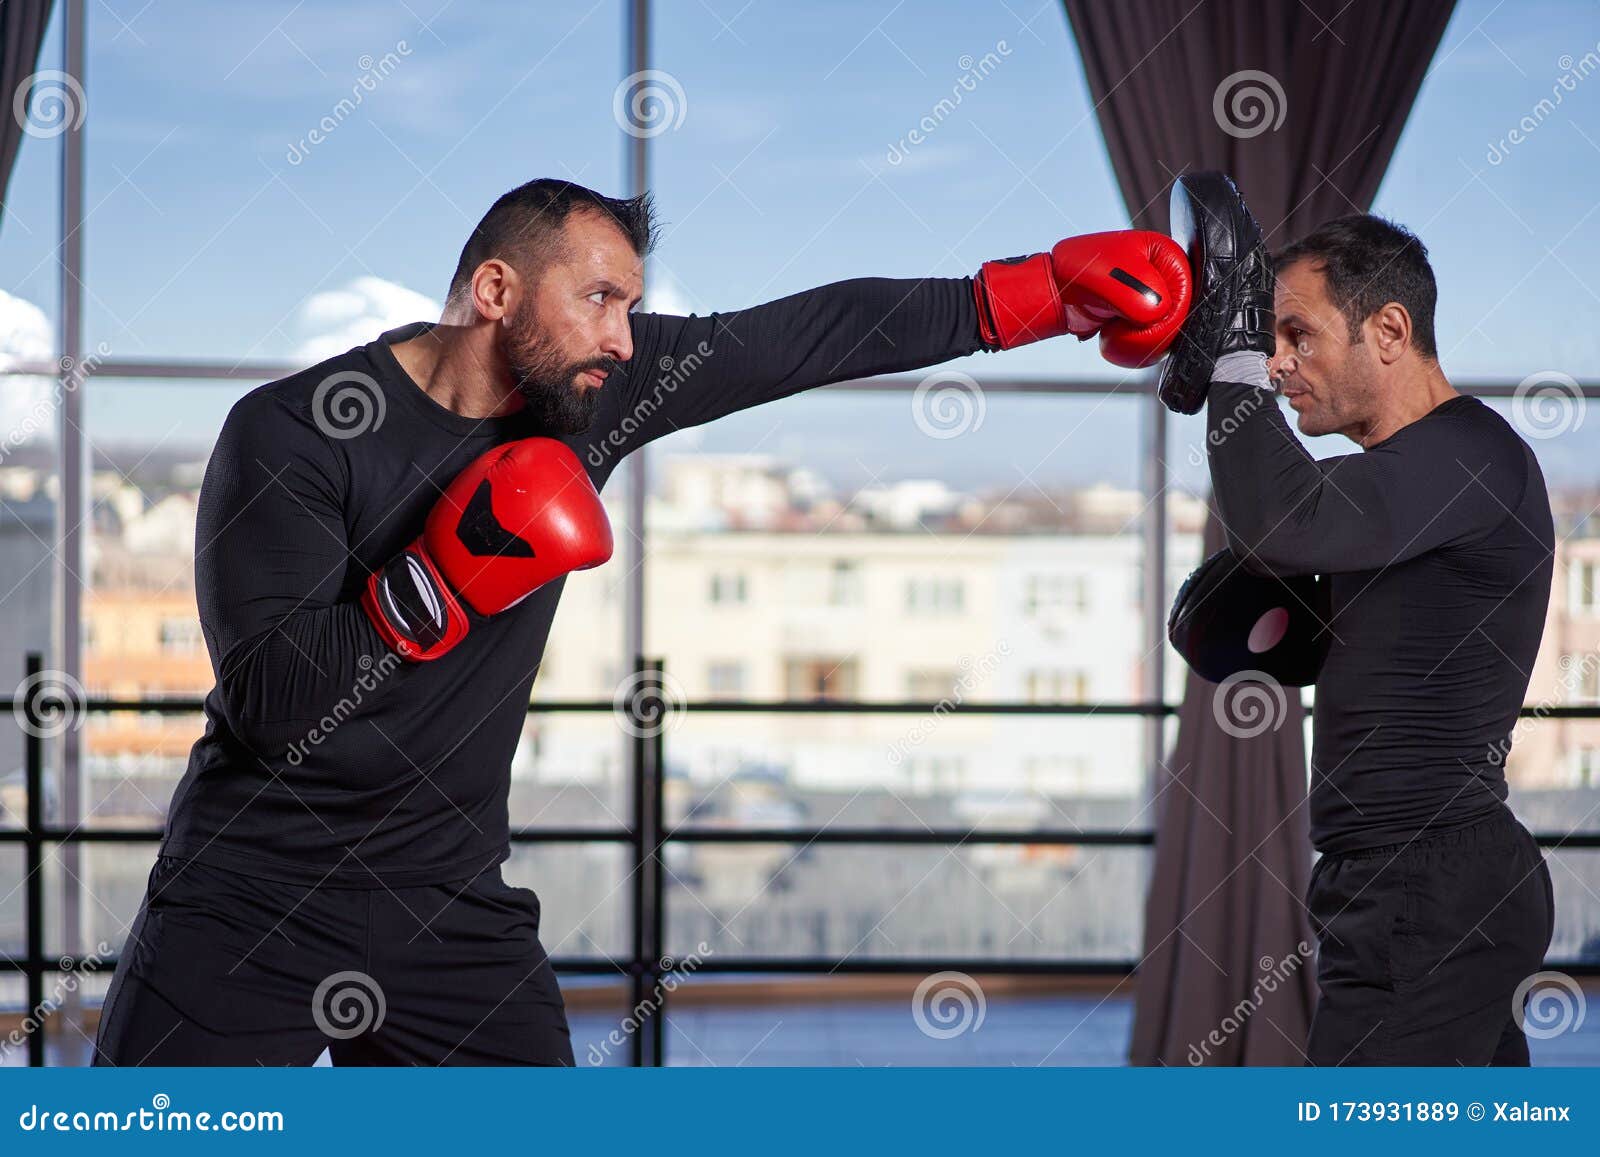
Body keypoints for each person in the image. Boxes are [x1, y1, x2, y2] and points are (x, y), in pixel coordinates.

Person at [94, 179, 1191, 1066]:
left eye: (631, 304)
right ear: (494, 290)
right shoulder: (295, 431)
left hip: (446, 897)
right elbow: (275, 702)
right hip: (253, 894)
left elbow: (806, 335)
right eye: (601, 298)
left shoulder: (585, 394)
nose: (624, 336)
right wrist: (439, 579)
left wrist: (1027, 296)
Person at [1188, 206, 1556, 1066]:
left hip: (1429, 887)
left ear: (1389, 329)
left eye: (1295, 334)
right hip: (1411, 880)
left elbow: (1284, 522)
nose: (1279, 362)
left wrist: (1228, 355)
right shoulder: (1408, 479)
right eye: (1269, 339)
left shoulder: (1469, 455)